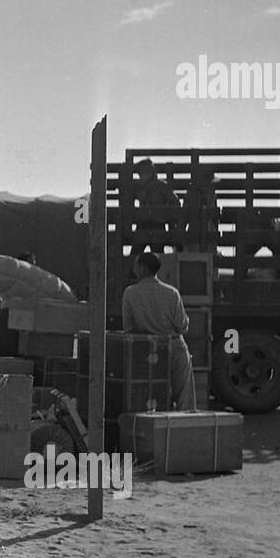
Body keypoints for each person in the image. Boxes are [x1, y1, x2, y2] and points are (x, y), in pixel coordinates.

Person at [121, 251, 196, 410]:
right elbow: (182, 326)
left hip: (148, 351)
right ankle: (184, 429)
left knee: (152, 396)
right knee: (184, 397)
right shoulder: (172, 292)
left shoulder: (129, 293)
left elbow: (128, 328)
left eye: (135, 265)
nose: (133, 269)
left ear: (142, 268)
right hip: (175, 346)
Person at [131, 158, 182, 257]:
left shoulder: (161, 186)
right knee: (135, 256)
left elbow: (175, 202)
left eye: (143, 174)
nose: (141, 176)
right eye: (140, 174)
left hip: (156, 224)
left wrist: (166, 215)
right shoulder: (139, 187)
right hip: (143, 224)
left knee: (157, 258)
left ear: (150, 173)